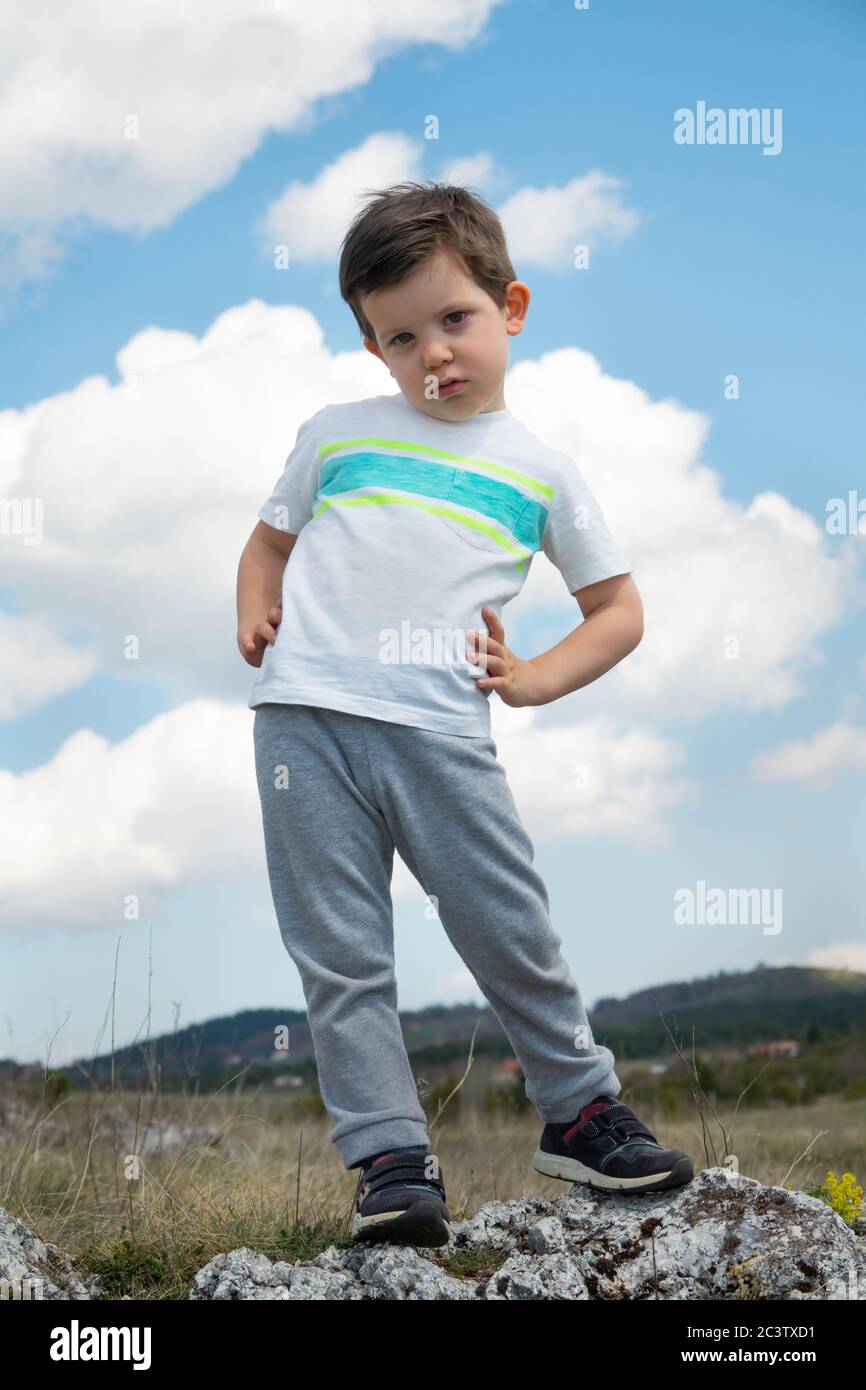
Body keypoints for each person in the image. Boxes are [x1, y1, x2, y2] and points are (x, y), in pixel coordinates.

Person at [236, 181, 694, 1248]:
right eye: (400, 336)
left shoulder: (538, 470)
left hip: (442, 733)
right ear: (372, 347)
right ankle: (390, 1159)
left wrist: (533, 678)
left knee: (507, 926)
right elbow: (270, 537)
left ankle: (579, 1110)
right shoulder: (335, 433)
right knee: (340, 953)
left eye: (454, 320)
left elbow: (616, 610)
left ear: (511, 307)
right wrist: (255, 596)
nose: (432, 353)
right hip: (302, 723)